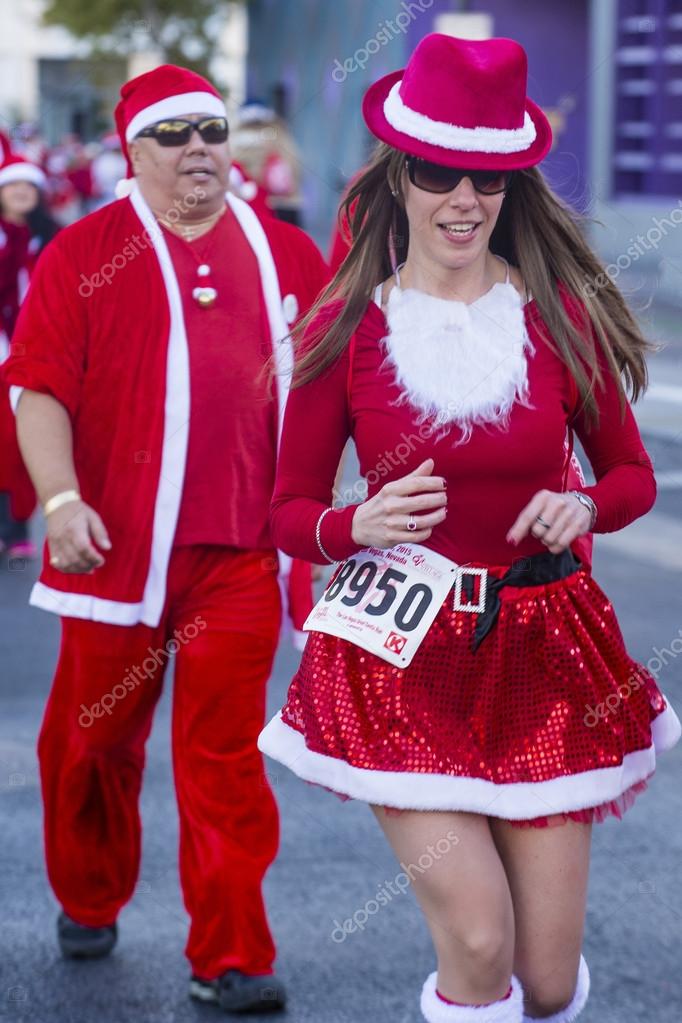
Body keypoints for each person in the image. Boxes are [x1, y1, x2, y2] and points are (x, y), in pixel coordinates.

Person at [258, 34, 681, 1023]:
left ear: (511, 188)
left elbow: (628, 475)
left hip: (546, 653)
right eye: (441, 174)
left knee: (541, 981)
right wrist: (350, 521)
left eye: (488, 178)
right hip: (403, 660)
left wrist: (586, 504)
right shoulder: (346, 327)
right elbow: (286, 513)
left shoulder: (559, 314)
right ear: (400, 178)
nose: (464, 198)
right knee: (480, 943)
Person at [3, 64, 328, 1014]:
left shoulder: (284, 252)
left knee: (224, 755)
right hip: (111, 555)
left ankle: (231, 952)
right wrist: (61, 504)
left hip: (238, 556)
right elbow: (39, 389)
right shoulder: (83, 254)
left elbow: (344, 372)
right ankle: (88, 891)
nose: (199, 150)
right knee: (94, 742)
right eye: (175, 134)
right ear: (133, 153)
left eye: (212, 132)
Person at [0, 153, 58, 558]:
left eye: (28, 186)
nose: (21, 193)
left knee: (26, 440)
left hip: (40, 351)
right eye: (12, 186)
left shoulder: (53, 238)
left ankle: (19, 524)